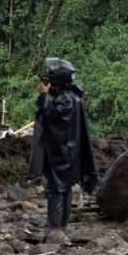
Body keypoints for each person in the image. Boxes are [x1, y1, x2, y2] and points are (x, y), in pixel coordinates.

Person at [31, 57, 98, 245]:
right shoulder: (73, 96)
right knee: (64, 188)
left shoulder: (64, 100)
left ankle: (55, 229)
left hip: (60, 155)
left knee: (56, 189)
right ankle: (61, 227)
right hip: (70, 154)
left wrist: (43, 96)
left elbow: (49, 117)